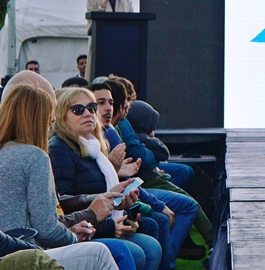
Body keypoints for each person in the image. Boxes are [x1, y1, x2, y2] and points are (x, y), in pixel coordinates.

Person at [0, 84, 134, 270]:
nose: (50, 129)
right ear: (38, 121)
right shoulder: (34, 156)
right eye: (49, 123)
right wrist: (74, 235)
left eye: (91, 108)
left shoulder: (6, 152)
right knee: (101, 253)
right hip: (23, 254)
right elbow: (46, 230)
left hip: (15, 248)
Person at [48, 89, 164, 270]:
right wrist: (109, 227)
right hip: (86, 229)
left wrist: (125, 207)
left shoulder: (94, 146)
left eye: (92, 108)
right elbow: (64, 205)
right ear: (62, 116)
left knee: (151, 240)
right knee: (142, 250)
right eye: (78, 109)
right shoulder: (59, 149)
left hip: (104, 220)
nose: (88, 113)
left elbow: (98, 192)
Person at [99, 80, 210, 259]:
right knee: (185, 205)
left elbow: (149, 155)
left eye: (110, 103)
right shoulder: (111, 131)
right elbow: (140, 154)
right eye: (100, 103)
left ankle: (184, 243)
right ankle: (195, 247)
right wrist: (155, 205)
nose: (129, 105)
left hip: (134, 187)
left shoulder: (111, 129)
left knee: (183, 176)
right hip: (135, 188)